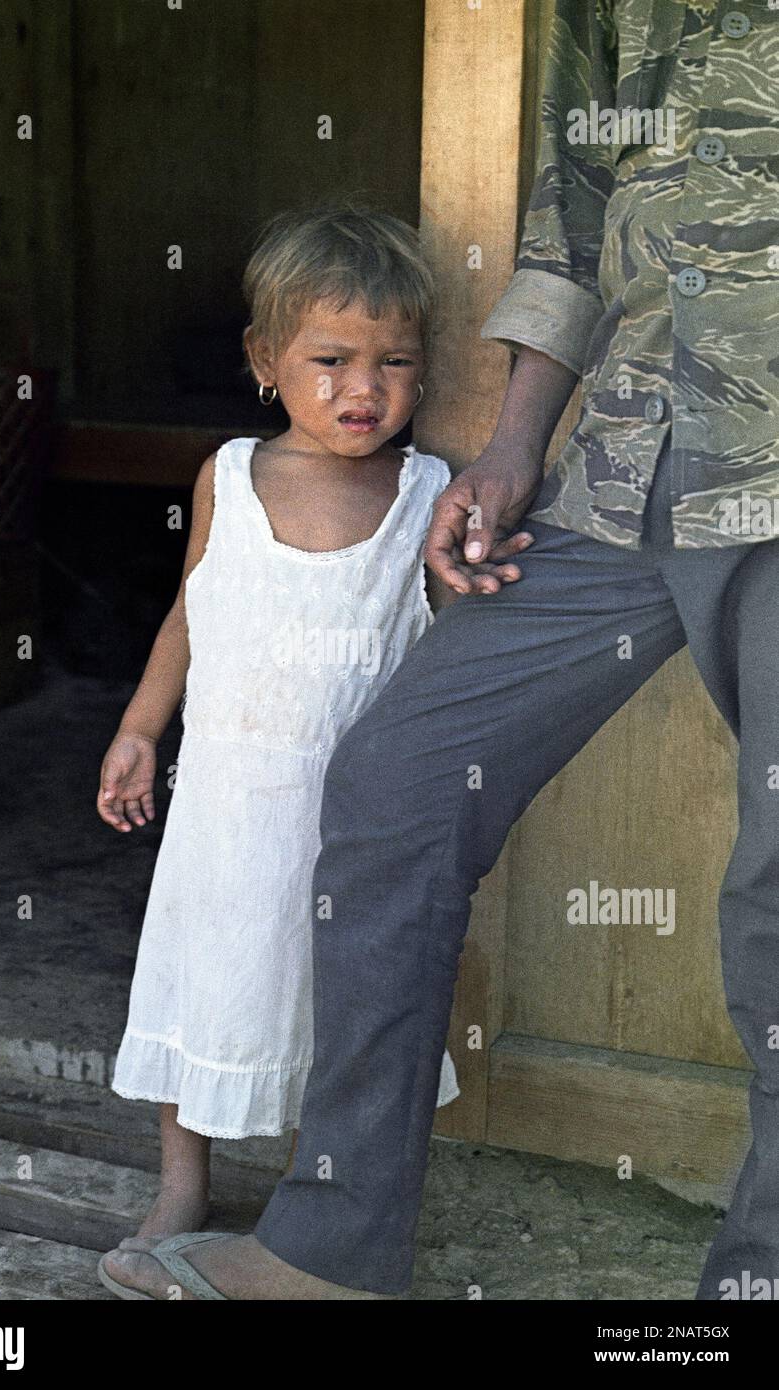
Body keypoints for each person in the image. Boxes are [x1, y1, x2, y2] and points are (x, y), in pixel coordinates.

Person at [100, 0, 779, 1301]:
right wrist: (518, 441)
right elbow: (574, 204)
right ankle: (333, 1248)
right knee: (398, 779)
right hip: (623, 450)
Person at [94, 206, 529, 1300]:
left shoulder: (427, 496)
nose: (362, 389)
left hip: (354, 821)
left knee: (336, 1005)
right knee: (212, 980)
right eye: (330, 361)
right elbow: (192, 613)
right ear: (265, 361)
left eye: (393, 364)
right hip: (230, 803)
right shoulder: (229, 477)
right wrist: (142, 727)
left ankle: (311, 1206)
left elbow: (452, 655)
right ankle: (182, 1186)